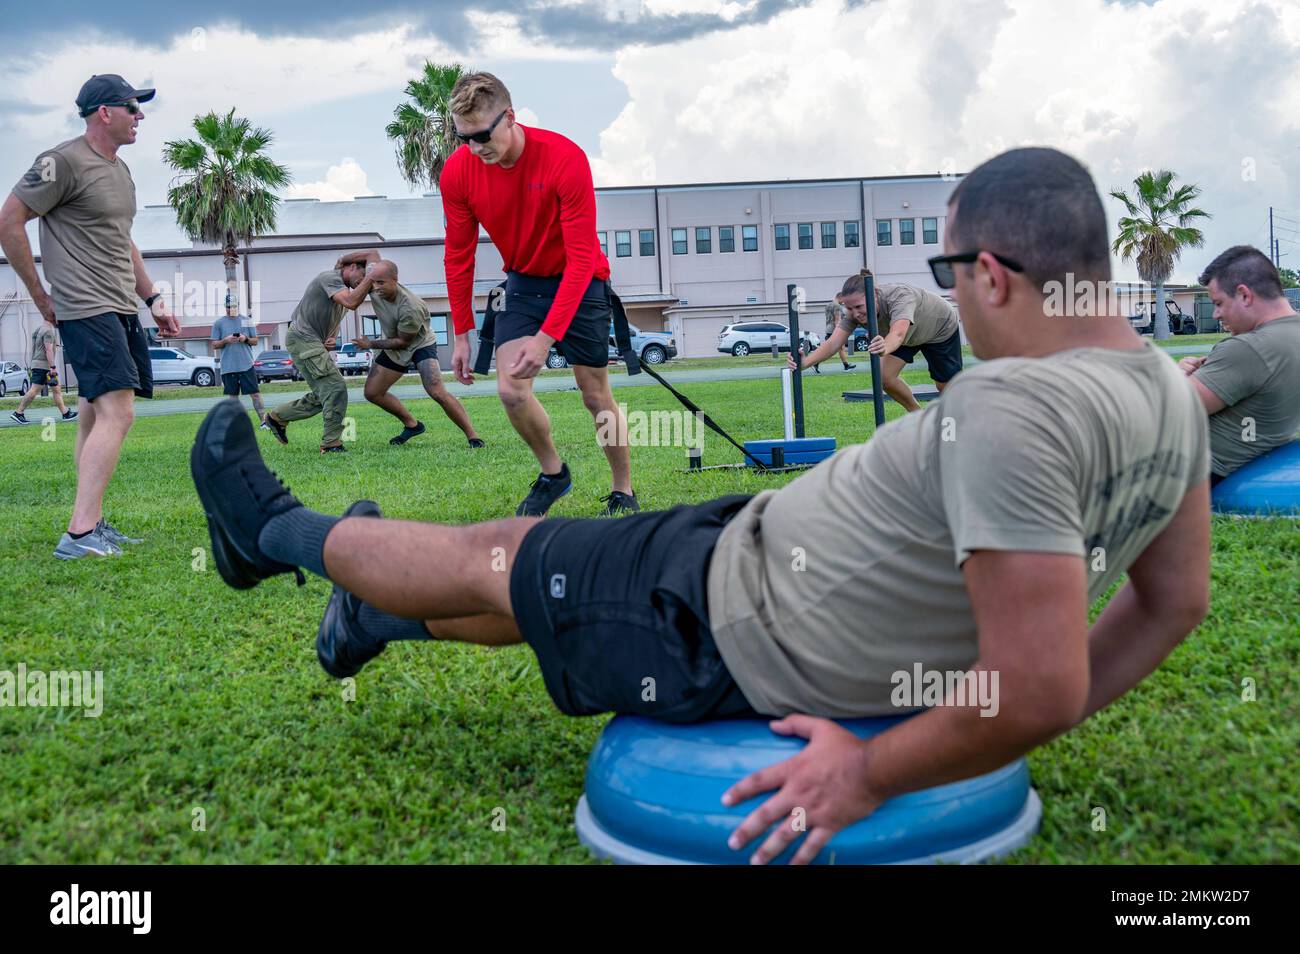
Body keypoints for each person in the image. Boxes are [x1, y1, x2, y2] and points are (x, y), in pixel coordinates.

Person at [193, 146, 1211, 865]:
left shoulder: (1011, 407)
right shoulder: (1168, 389)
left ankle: (269, 534)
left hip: (719, 620)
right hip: (752, 547)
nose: (942, 287)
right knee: (535, 598)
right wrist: (1023, 712)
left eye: (946, 268)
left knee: (494, 557)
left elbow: (1032, 684)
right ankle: (365, 614)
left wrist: (871, 773)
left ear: (989, 273)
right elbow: (1172, 605)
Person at [440, 71, 638, 517]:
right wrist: (462, 333)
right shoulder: (458, 172)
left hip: (580, 279)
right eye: (464, 138)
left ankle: (623, 488)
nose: (475, 148)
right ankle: (554, 474)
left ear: (509, 117)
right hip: (524, 282)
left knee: (594, 394)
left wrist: (546, 339)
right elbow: (458, 255)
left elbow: (582, 258)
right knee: (511, 390)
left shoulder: (563, 158)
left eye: (483, 136)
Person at [0, 74, 180, 559]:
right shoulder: (60, 162)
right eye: (132, 107)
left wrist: (153, 299)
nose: (140, 116)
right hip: (86, 306)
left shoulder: (120, 171)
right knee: (119, 414)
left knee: (90, 414)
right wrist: (40, 296)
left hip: (121, 305)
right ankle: (79, 535)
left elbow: (123, 241)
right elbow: (8, 219)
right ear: (105, 112)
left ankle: (92, 523)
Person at [1177, 245, 1300, 485]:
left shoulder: (1249, 348)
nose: (1215, 314)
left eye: (1219, 303)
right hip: (1256, 457)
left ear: (1244, 295)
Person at [352, 260, 484, 448]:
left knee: (436, 391)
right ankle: (412, 425)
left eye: (381, 282)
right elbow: (369, 258)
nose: (375, 287)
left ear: (394, 280)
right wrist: (345, 262)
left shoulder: (411, 306)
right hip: (395, 342)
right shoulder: (373, 287)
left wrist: (370, 343)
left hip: (419, 344)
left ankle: (473, 437)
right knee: (372, 393)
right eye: (373, 282)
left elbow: (403, 342)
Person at [260, 250, 378, 453]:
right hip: (302, 338)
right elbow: (351, 302)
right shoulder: (330, 278)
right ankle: (331, 443)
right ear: (352, 267)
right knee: (336, 388)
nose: (364, 281)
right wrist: (373, 276)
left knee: (324, 393)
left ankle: (276, 417)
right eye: (363, 274)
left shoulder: (341, 288)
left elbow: (336, 315)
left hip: (311, 341)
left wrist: (331, 338)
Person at [793, 271, 962, 411]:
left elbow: (897, 334)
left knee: (945, 387)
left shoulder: (899, 296)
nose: (855, 313)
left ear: (874, 295)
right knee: (884, 377)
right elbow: (833, 343)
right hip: (903, 335)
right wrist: (805, 363)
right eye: (850, 308)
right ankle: (918, 415)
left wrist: (884, 347)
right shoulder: (853, 312)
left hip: (939, 327)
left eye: (859, 307)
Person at [10, 316, 77, 424]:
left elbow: (40, 347)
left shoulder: (39, 330)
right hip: (43, 366)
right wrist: (53, 367)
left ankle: (65, 413)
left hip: (38, 364)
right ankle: (18, 412)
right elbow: (48, 349)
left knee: (56, 389)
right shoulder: (48, 332)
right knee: (34, 390)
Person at [211, 294, 265, 423]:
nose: (231, 309)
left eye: (234, 306)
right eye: (229, 306)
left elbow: (255, 341)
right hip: (228, 367)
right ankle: (240, 423)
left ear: (238, 305)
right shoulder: (219, 323)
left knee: (255, 394)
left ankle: (264, 421)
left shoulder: (247, 320)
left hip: (246, 364)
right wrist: (225, 340)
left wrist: (245, 339)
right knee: (233, 398)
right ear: (225, 306)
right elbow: (214, 344)